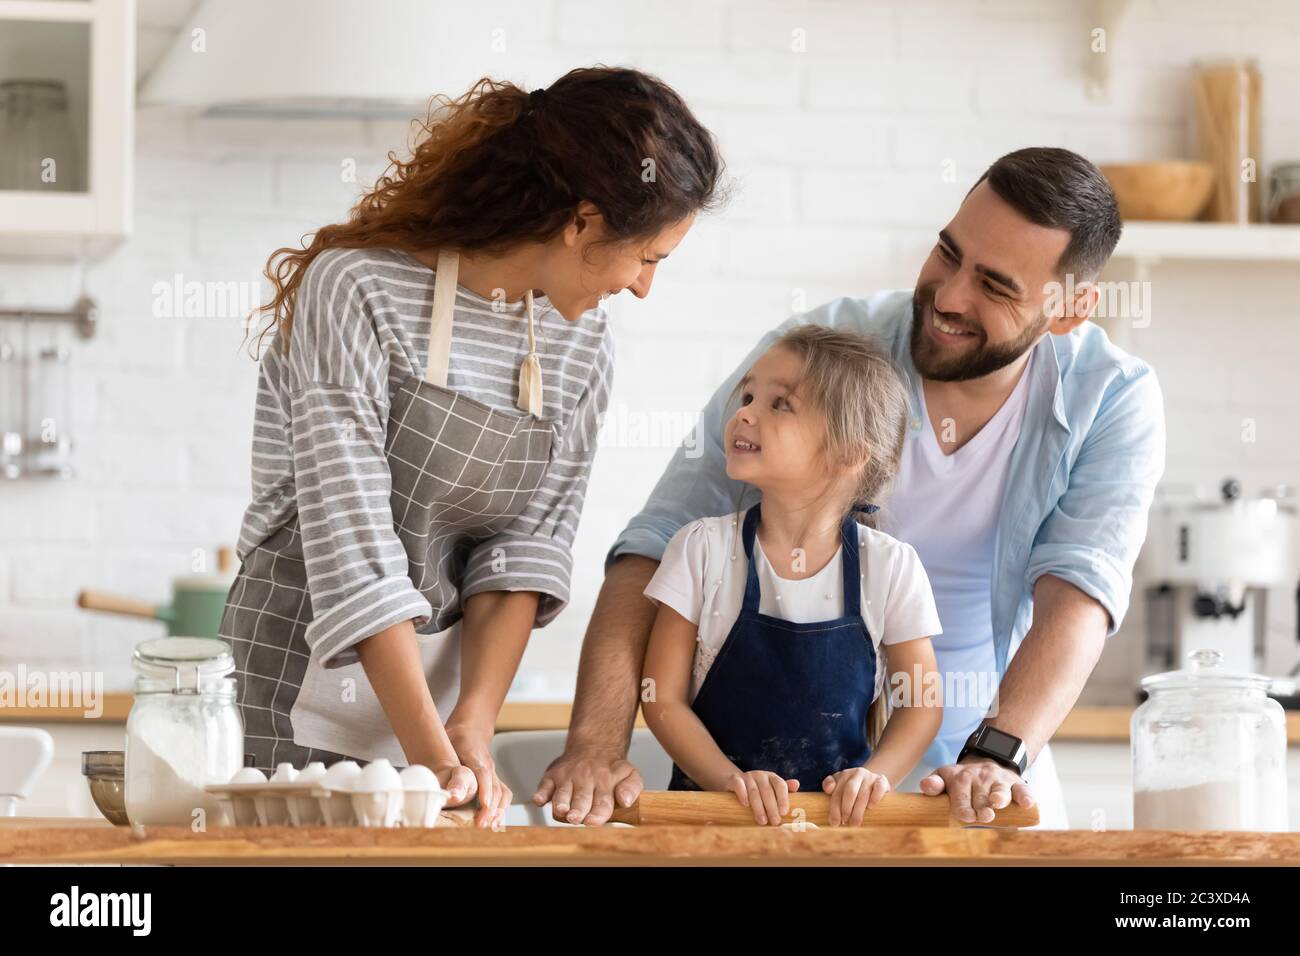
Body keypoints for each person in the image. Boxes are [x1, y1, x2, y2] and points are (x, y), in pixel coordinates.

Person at [536, 147, 1165, 829]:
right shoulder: (824, 353)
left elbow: (1077, 596)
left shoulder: (1112, 399)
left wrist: (997, 754)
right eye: (947, 254)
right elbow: (654, 545)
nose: (949, 297)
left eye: (996, 285)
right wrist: (596, 747)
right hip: (784, 800)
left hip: (983, 783)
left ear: (1070, 310)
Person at [220, 66, 724, 827]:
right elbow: (354, 548)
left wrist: (471, 727)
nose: (645, 286)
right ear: (583, 221)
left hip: (440, 710)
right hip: (294, 686)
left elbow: (526, 549)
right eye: (646, 257)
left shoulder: (580, 341)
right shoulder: (355, 289)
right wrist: (432, 752)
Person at [640, 327, 943, 826]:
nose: (745, 411)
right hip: (707, 826)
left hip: (835, 834)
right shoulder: (699, 550)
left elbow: (920, 704)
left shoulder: (890, 567)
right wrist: (731, 784)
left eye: (780, 404)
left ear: (849, 453)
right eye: (749, 394)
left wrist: (876, 777)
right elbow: (662, 698)